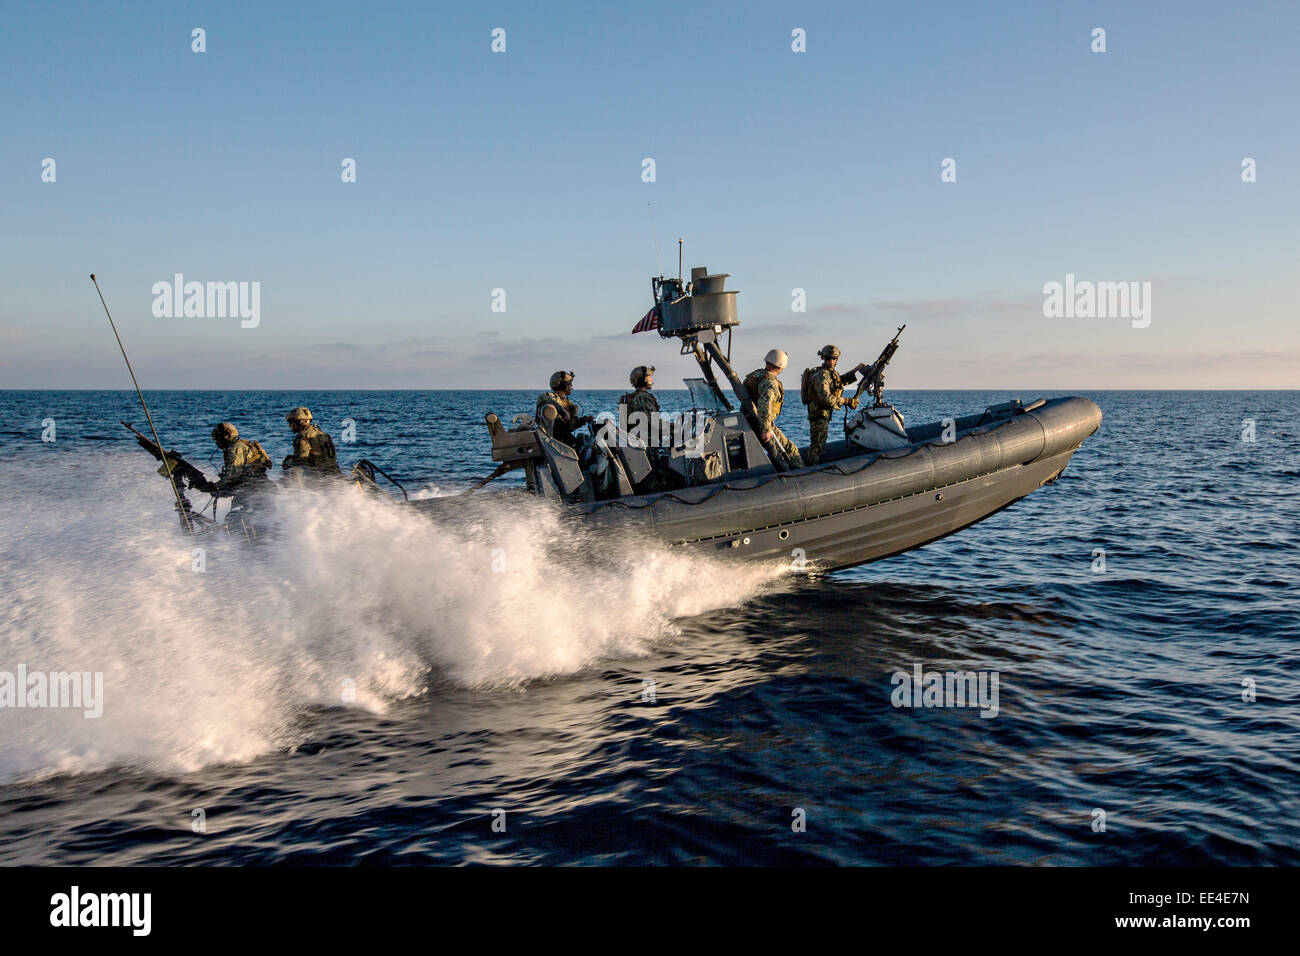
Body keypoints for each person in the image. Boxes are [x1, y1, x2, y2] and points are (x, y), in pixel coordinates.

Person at [802, 345, 868, 465]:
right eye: (828, 359)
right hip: (819, 416)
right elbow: (827, 399)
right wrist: (846, 401)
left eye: (834, 359)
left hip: (823, 415)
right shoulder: (821, 376)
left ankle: (807, 466)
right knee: (817, 445)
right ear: (823, 358)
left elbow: (839, 381)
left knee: (818, 443)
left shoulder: (829, 374)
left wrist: (855, 370)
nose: (831, 361)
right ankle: (808, 469)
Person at [742, 349, 803, 470]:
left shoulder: (754, 376)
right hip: (762, 424)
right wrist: (766, 429)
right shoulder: (770, 382)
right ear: (780, 367)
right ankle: (801, 473)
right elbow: (765, 405)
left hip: (749, 420)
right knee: (791, 450)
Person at [206, 423, 273, 509]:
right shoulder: (239, 446)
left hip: (256, 490)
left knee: (234, 518)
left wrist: (216, 486)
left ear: (226, 436)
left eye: (218, 438)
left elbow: (233, 474)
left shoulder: (236, 448)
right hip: (256, 488)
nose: (217, 442)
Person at [536, 371, 593, 448]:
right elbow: (546, 399)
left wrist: (584, 420)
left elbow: (570, 427)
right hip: (552, 440)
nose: (571, 387)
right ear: (563, 385)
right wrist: (563, 412)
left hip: (560, 437)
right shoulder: (549, 397)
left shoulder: (568, 404)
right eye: (569, 384)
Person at [282, 406, 340, 477]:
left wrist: (288, 461)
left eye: (291, 422)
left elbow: (301, 460)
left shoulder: (303, 436)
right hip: (334, 471)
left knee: (290, 467)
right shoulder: (321, 433)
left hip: (318, 474)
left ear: (300, 422)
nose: (290, 425)